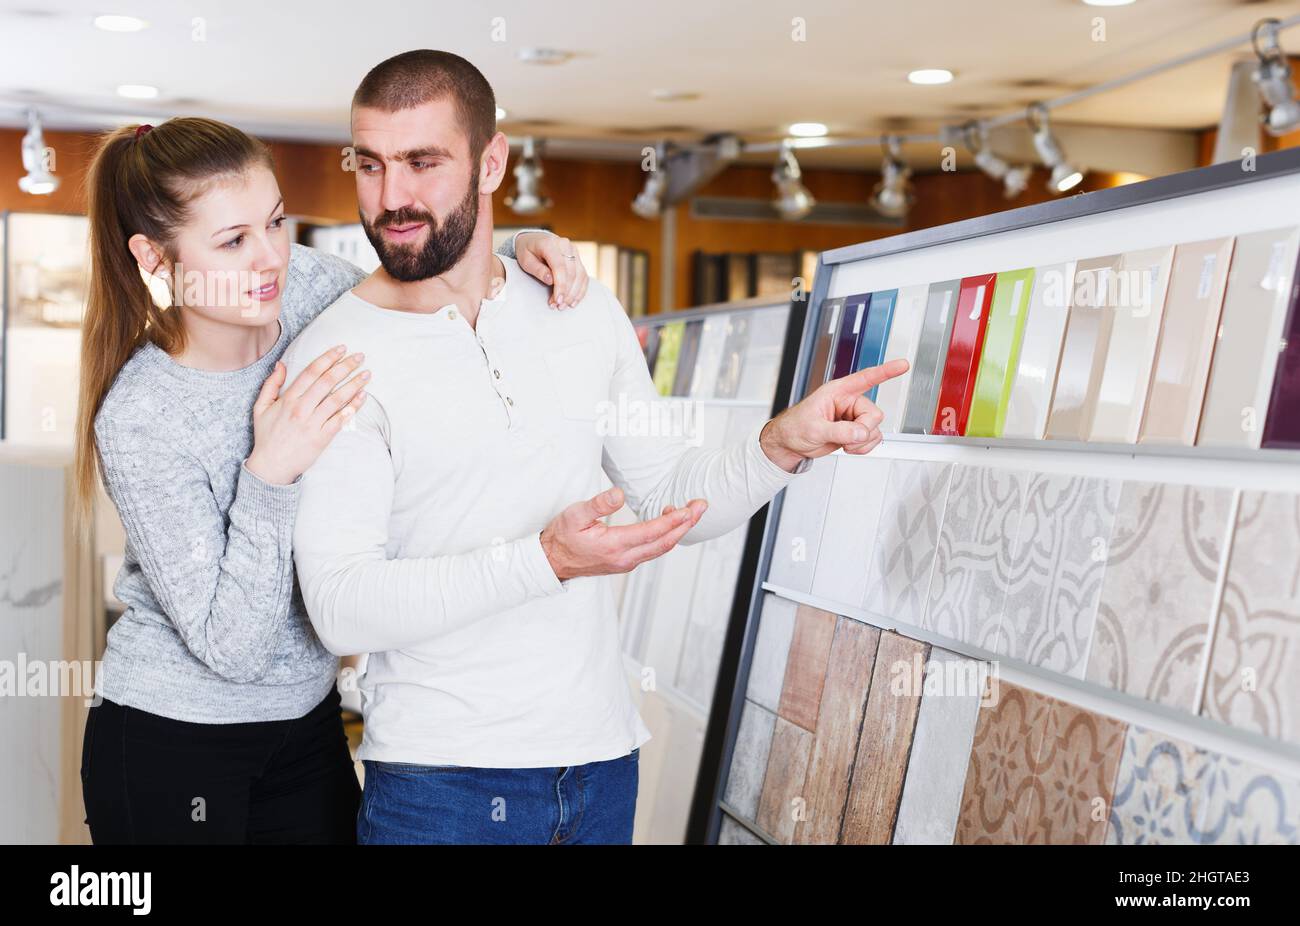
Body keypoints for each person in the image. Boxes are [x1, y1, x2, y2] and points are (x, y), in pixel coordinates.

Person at [285, 49, 906, 845]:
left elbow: (666, 494)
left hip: (602, 764)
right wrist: (547, 559)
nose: (390, 197)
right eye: (368, 165)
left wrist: (780, 444)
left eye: (422, 162)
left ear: (491, 162)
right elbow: (342, 607)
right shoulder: (335, 353)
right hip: (440, 786)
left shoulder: (575, 305)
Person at [73, 114, 590, 844]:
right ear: (156, 258)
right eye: (232, 241)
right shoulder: (141, 418)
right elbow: (234, 648)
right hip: (172, 738)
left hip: (306, 723)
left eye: (276, 222)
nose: (270, 258)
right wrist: (269, 470)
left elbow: (424, 285)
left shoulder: (309, 289)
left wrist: (520, 251)